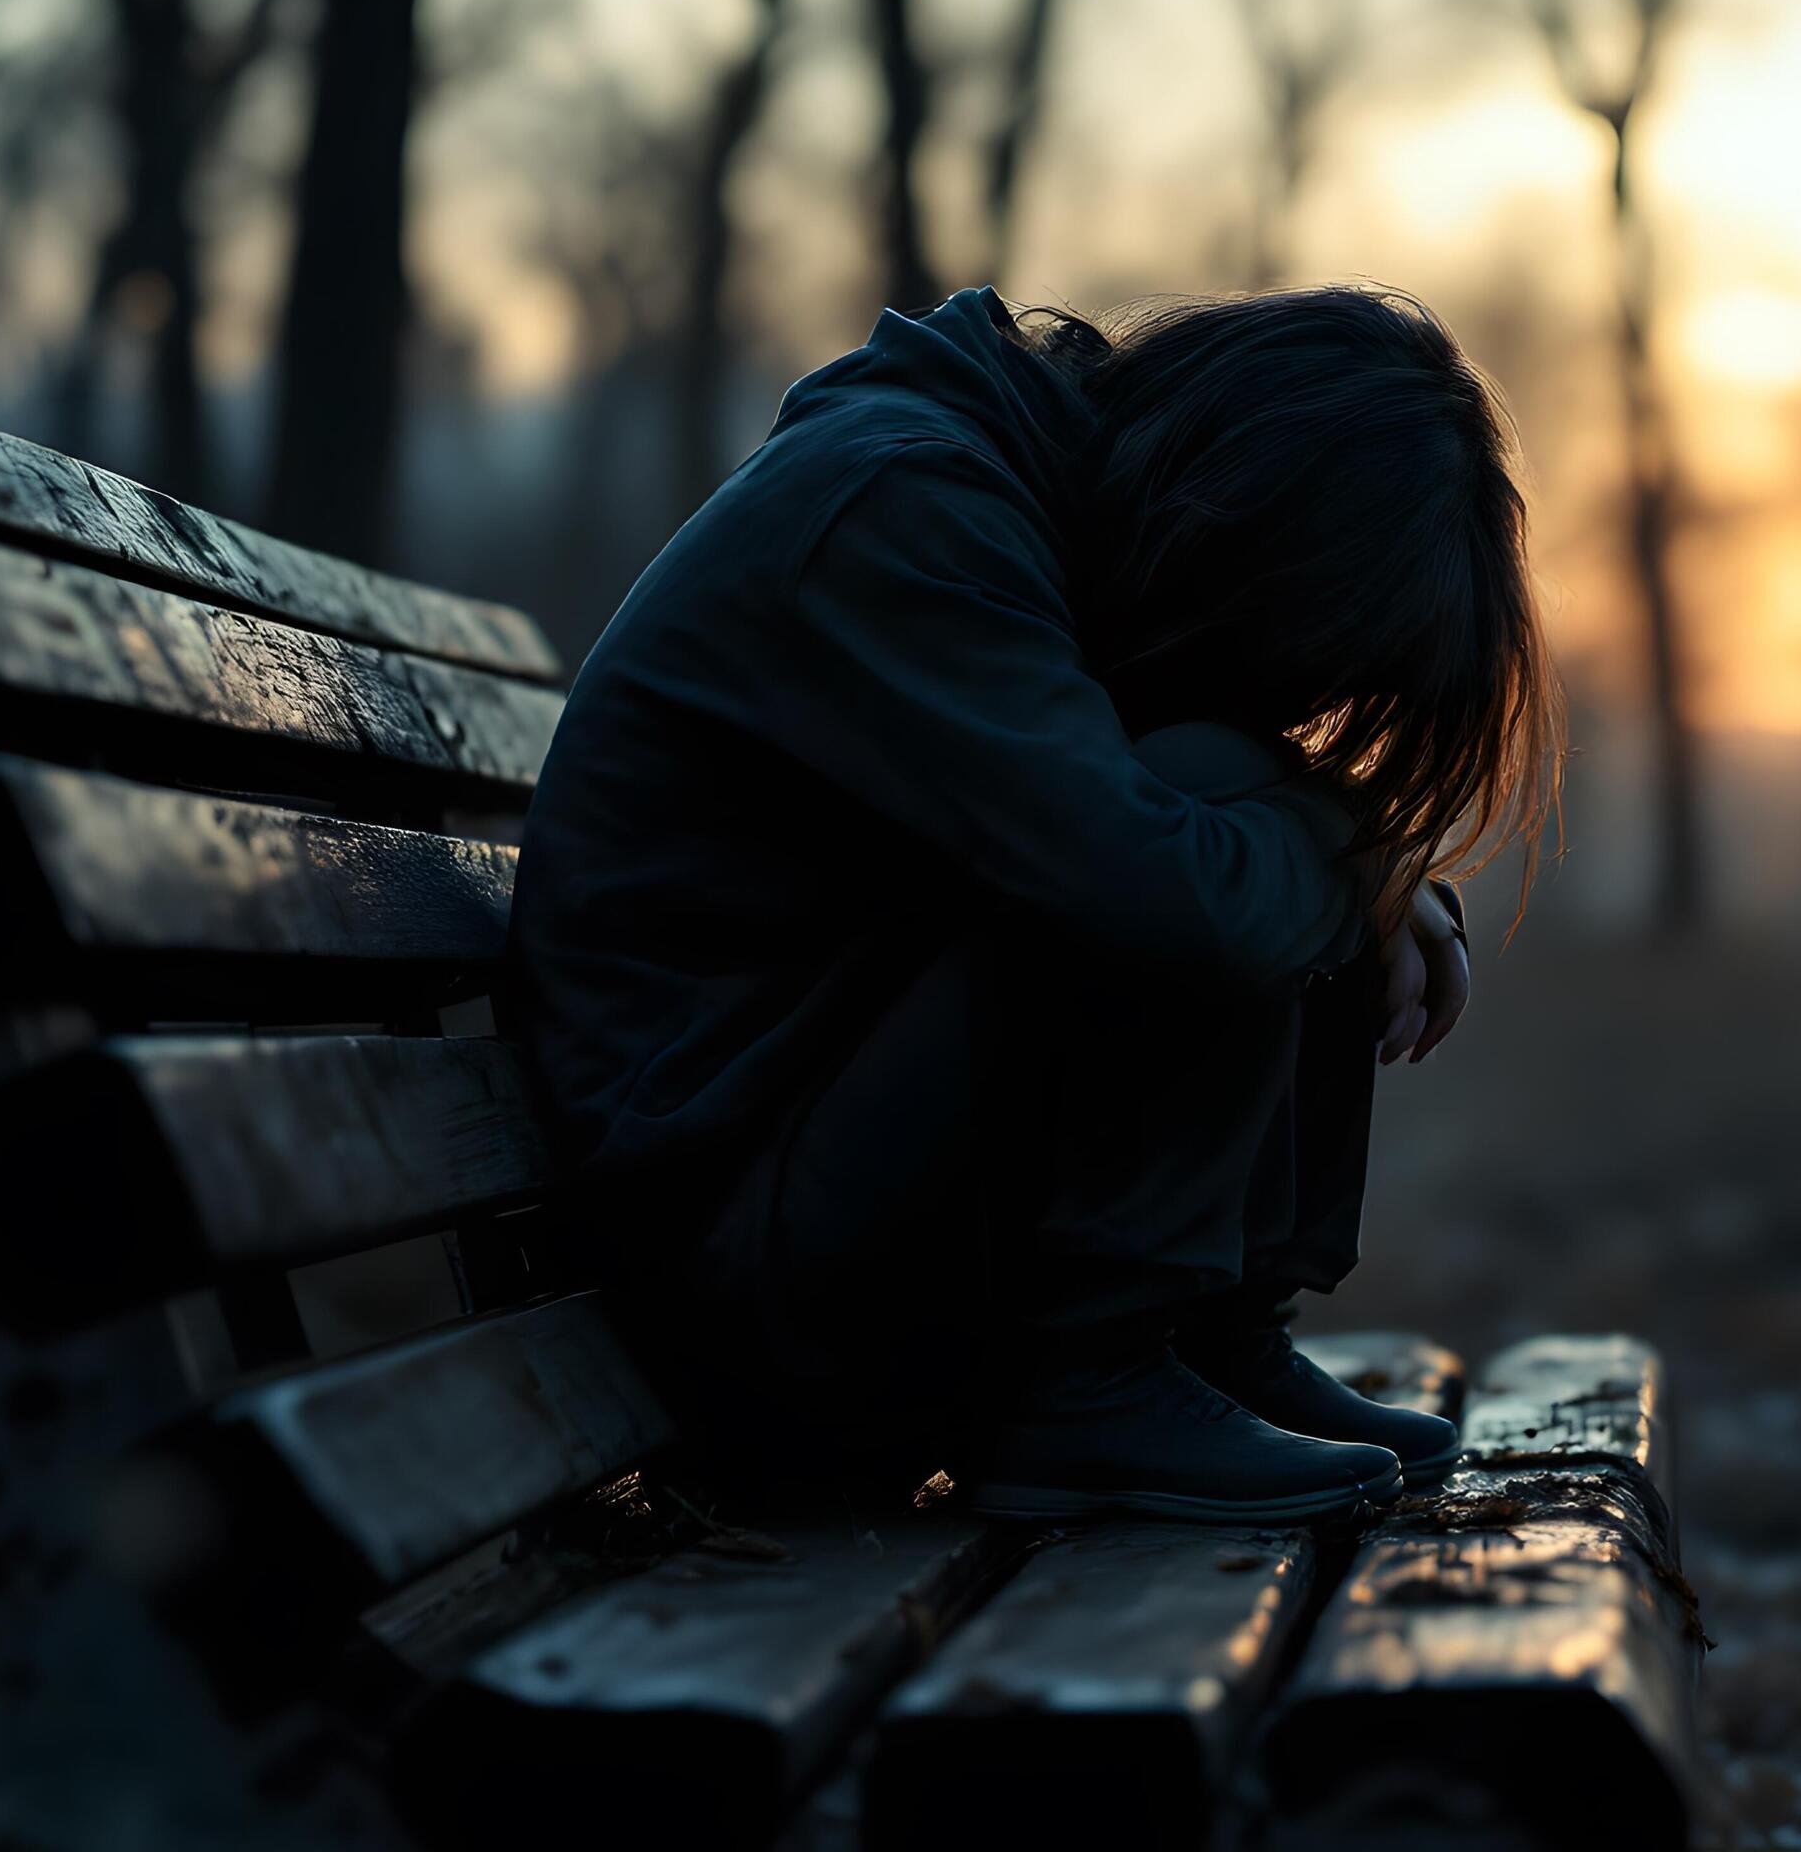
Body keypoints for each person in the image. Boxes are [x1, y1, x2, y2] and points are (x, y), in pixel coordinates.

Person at [505, 285, 1558, 1523]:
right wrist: (1354, 849)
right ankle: (1091, 1386)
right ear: (1238, 519)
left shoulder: (990, 495)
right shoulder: (902, 511)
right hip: (741, 1313)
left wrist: (1348, 847)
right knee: (1226, 815)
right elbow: (1161, 893)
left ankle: (1206, 1340)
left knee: (1257, 811)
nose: (1280, 688)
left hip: (794, 1217)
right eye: (1291, 649)